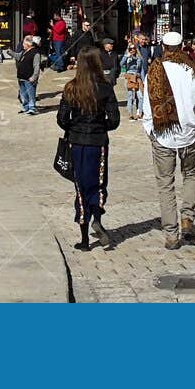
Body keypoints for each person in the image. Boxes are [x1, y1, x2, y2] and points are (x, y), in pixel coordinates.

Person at [142, 31, 195, 250]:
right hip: (188, 134)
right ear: (181, 48)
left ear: (163, 47)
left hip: (163, 136)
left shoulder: (154, 71)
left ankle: (171, 234)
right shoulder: (192, 70)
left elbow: (147, 106)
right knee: (190, 175)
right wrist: (194, 125)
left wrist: (150, 130)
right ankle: (187, 218)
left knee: (165, 184)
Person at [58, 47, 122, 251]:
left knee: (81, 186)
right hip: (98, 142)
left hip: (77, 142)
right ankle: (97, 219)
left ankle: (85, 239)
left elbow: (61, 119)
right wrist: (99, 127)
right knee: (98, 182)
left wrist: (75, 128)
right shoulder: (105, 87)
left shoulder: (71, 87)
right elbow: (114, 120)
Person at [15, 35, 44, 115]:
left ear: (28, 45)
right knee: (23, 94)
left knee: (31, 94)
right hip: (21, 77)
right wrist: (10, 52)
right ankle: (26, 107)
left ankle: (32, 108)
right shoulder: (24, 51)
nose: (22, 46)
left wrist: (34, 77)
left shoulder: (35, 53)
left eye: (24, 44)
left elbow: (36, 67)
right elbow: (18, 56)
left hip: (29, 77)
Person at [121, 37, 146, 120]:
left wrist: (143, 80)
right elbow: (121, 64)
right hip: (129, 77)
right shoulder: (127, 56)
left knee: (140, 96)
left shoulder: (139, 58)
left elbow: (141, 70)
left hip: (137, 77)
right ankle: (130, 114)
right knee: (130, 96)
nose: (132, 50)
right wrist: (126, 56)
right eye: (130, 49)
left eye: (133, 48)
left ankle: (140, 113)